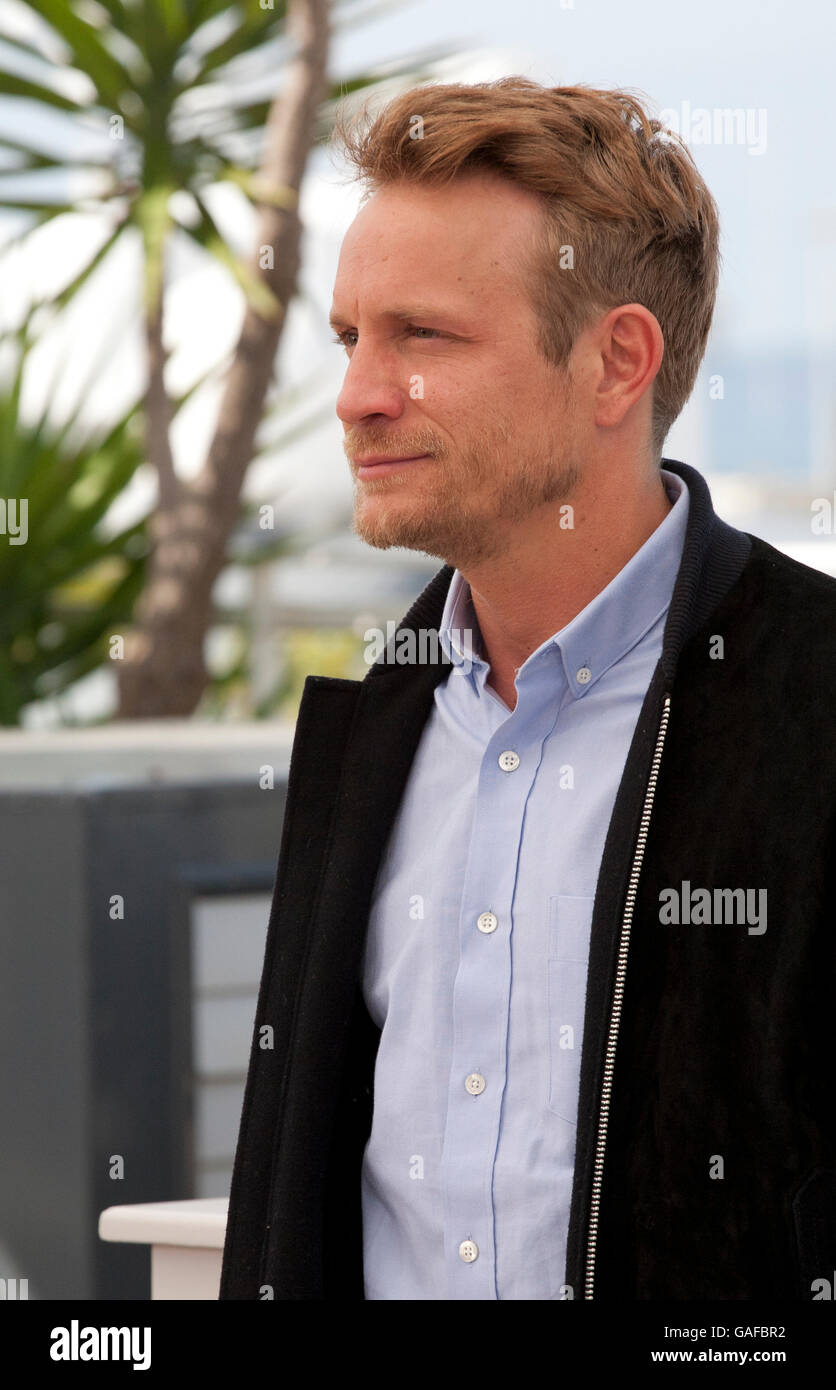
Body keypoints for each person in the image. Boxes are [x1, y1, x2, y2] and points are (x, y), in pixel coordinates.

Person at [219, 78, 836, 1301]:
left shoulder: (807, 703)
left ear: (615, 362)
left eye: (423, 336)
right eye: (352, 338)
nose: (357, 395)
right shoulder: (365, 729)